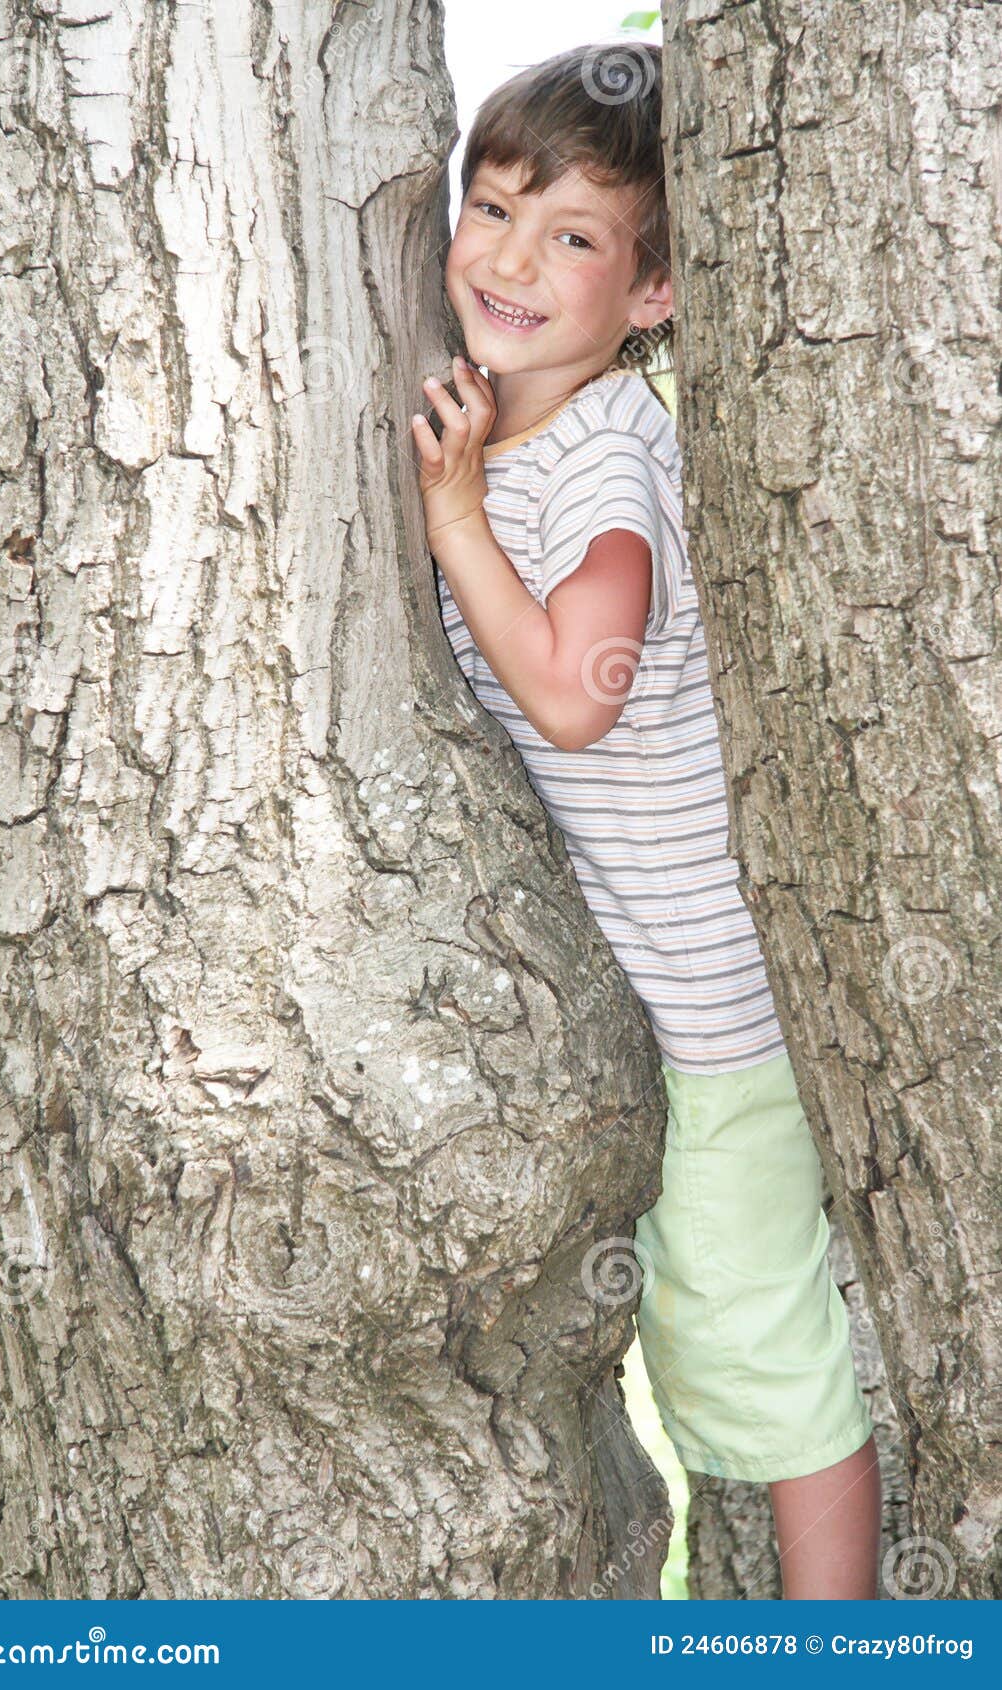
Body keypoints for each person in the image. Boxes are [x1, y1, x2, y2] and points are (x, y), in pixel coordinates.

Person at [411, 39, 882, 1599]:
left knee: (749, 1333)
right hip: (640, 997)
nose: (512, 262)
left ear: (655, 289)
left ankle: (839, 1638)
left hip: (706, 1008)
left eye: (575, 238)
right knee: (690, 1329)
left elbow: (572, 693)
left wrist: (460, 515)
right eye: (492, 211)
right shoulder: (519, 428)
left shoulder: (606, 449)